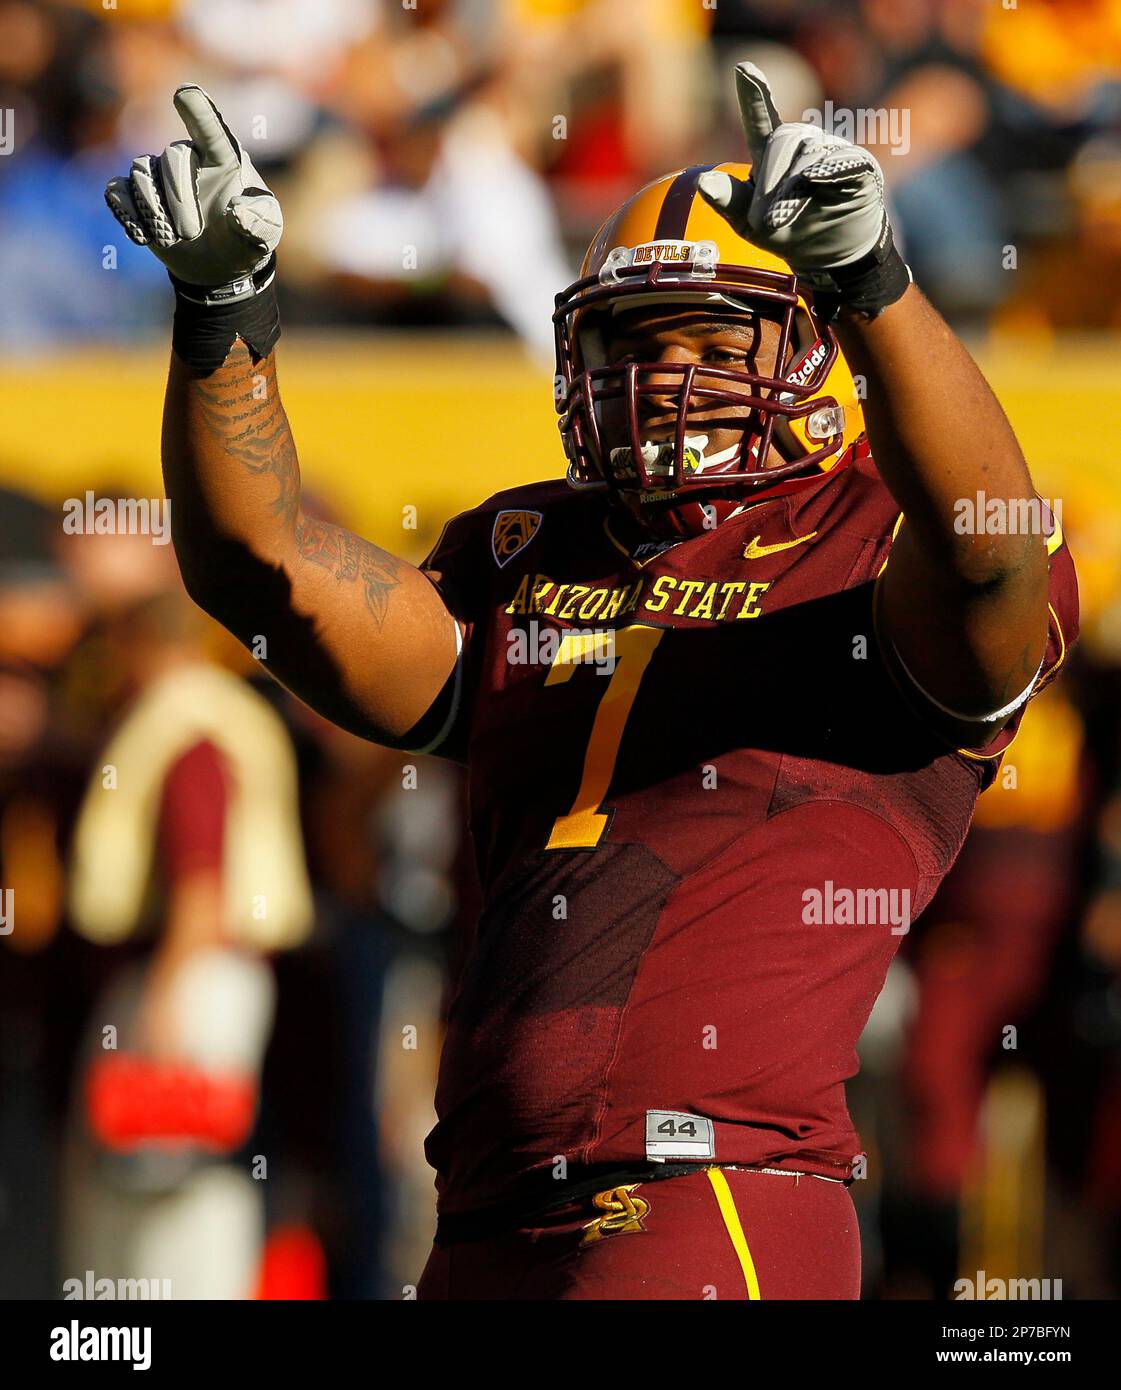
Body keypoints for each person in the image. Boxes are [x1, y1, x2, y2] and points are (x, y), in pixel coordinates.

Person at [105, 62, 1077, 1300]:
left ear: (817, 349)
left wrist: (875, 285)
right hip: (483, 1209)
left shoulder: (874, 545)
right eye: (632, 340)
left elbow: (993, 554)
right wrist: (224, 307)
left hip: (707, 1194)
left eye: (710, 341)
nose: (665, 378)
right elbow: (256, 570)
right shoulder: (529, 548)